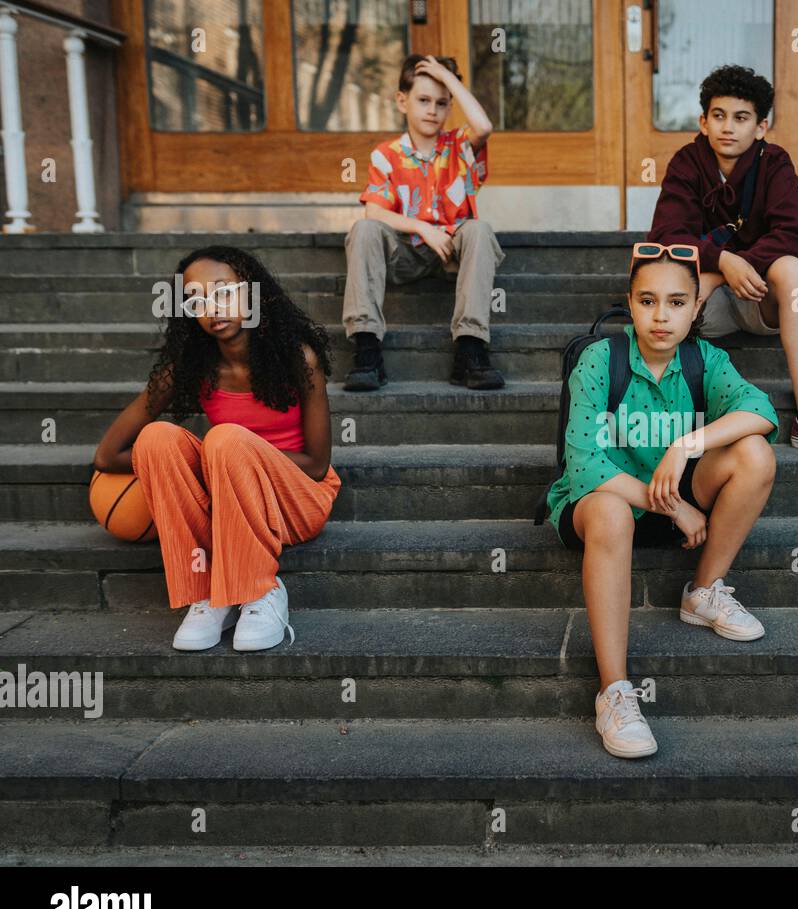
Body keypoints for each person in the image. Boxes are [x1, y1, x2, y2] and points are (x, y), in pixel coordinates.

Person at [546, 243, 780, 757]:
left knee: (755, 454)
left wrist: (686, 445)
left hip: (676, 493)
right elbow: (584, 465)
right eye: (648, 301)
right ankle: (614, 692)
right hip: (602, 503)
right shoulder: (600, 360)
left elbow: (763, 410)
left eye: (677, 302)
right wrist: (675, 508)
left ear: (697, 308)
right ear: (629, 304)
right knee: (608, 510)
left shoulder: (705, 360)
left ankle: (703, 590)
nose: (661, 315)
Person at [93, 246, 339, 652]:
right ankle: (208, 593)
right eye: (196, 300)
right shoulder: (192, 366)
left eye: (224, 292)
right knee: (157, 437)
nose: (211, 307)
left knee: (224, 439)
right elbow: (107, 455)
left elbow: (316, 464)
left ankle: (259, 588)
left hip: (298, 499)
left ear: (252, 294)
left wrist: (236, 459)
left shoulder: (298, 358)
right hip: (226, 504)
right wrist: (179, 474)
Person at [648, 64, 798, 453]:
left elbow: (793, 231)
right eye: (719, 116)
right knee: (674, 276)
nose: (728, 127)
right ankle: (662, 405)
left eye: (741, 118)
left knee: (790, 266)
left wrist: (733, 268)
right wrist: (722, 262)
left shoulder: (773, 162)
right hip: (704, 306)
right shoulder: (687, 163)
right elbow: (668, 236)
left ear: (760, 126)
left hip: (758, 298)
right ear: (703, 122)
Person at [342, 54, 505, 391]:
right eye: (423, 100)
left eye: (442, 103)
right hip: (404, 257)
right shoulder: (386, 154)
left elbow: (485, 127)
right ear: (402, 101)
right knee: (364, 229)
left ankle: (470, 349)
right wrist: (421, 227)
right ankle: (367, 348)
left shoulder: (459, 145)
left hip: (452, 258)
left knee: (479, 230)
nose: (433, 110)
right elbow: (373, 211)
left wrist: (450, 78)